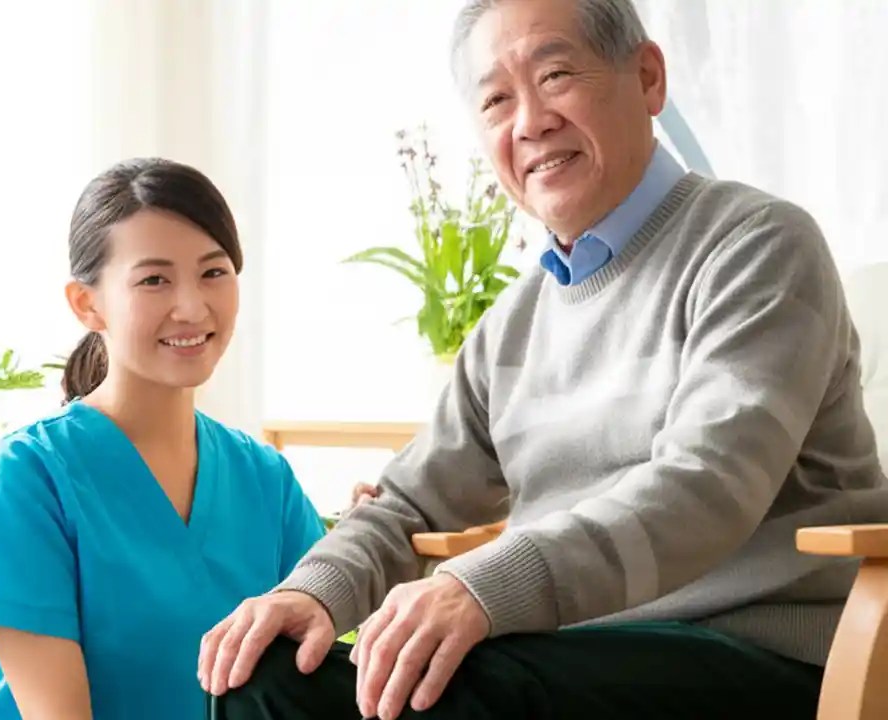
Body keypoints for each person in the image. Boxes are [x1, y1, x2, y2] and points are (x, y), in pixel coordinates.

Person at [198, 0, 888, 719]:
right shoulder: (513, 326)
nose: (529, 121)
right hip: (572, 660)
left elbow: (707, 489)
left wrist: (480, 586)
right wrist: (310, 592)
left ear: (648, 78)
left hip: (760, 654)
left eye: (556, 75)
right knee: (263, 677)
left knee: (443, 692)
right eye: (497, 100)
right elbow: (410, 502)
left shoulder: (757, 246)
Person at [0, 157, 331, 720]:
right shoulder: (25, 479)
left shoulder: (265, 480)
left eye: (213, 272)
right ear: (87, 303)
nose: (192, 307)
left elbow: (311, 691)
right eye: (154, 279)